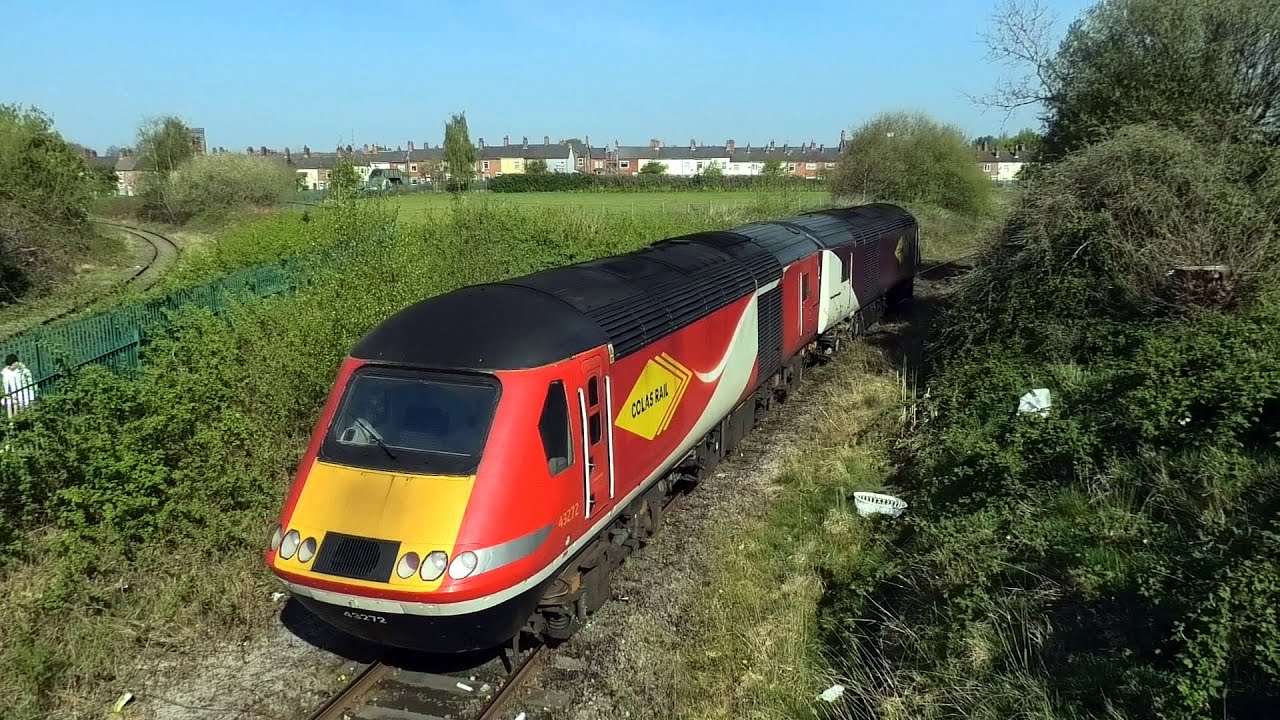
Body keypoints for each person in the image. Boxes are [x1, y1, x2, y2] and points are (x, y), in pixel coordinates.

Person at [2, 353, 36, 419]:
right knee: (12, 409)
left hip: (23, 395)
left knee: (23, 412)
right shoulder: (6, 373)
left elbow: (30, 385)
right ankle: (12, 424)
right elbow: (6, 386)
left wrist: (32, 398)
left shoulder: (23, 371)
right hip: (12, 396)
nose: (11, 366)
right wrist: (9, 396)